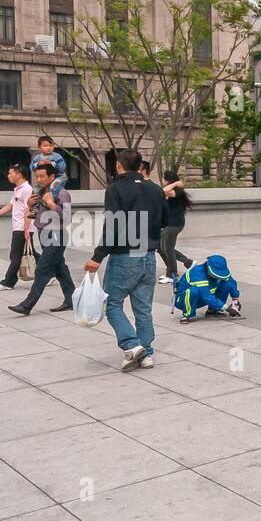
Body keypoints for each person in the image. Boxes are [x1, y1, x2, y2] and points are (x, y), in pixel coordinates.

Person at [86, 148, 167, 371]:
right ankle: (146, 353)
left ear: (119, 166)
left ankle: (132, 345)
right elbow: (164, 221)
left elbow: (112, 224)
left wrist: (97, 256)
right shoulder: (156, 190)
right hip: (149, 255)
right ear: (140, 167)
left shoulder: (115, 189)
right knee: (143, 307)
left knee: (111, 303)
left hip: (124, 256)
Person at [8, 162, 75, 316]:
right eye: (37, 176)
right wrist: (30, 205)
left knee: (42, 269)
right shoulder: (41, 192)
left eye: (42, 176)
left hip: (56, 234)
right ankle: (71, 299)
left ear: (52, 176)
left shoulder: (62, 193)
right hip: (43, 233)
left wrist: (51, 203)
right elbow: (34, 214)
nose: (38, 179)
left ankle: (27, 305)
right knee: (60, 269)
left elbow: (66, 217)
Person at [0, 163, 37, 292]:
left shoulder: (27, 189)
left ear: (18, 174)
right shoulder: (18, 189)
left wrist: (26, 228)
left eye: (10, 173)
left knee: (15, 255)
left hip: (23, 227)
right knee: (31, 253)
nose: (8, 175)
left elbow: (28, 209)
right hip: (19, 226)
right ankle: (51, 272)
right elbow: (9, 206)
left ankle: (8, 282)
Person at [175, 255, 242, 322]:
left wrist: (235, 298)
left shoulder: (221, 270)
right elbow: (207, 296)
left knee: (226, 284)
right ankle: (188, 315)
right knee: (193, 291)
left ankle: (213, 310)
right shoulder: (197, 274)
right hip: (183, 300)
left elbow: (230, 281)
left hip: (203, 297)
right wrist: (227, 308)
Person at [157, 169, 194, 285]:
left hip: (174, 224)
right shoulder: (175, 190)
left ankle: (172, 274)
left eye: (163, 179)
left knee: (168, 248)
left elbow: (164, 190)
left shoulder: (177, 191)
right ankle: (184, 264)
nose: (162, 181)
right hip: (169, 223)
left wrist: (176, 183)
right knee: (160, 247)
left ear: (168, 180)